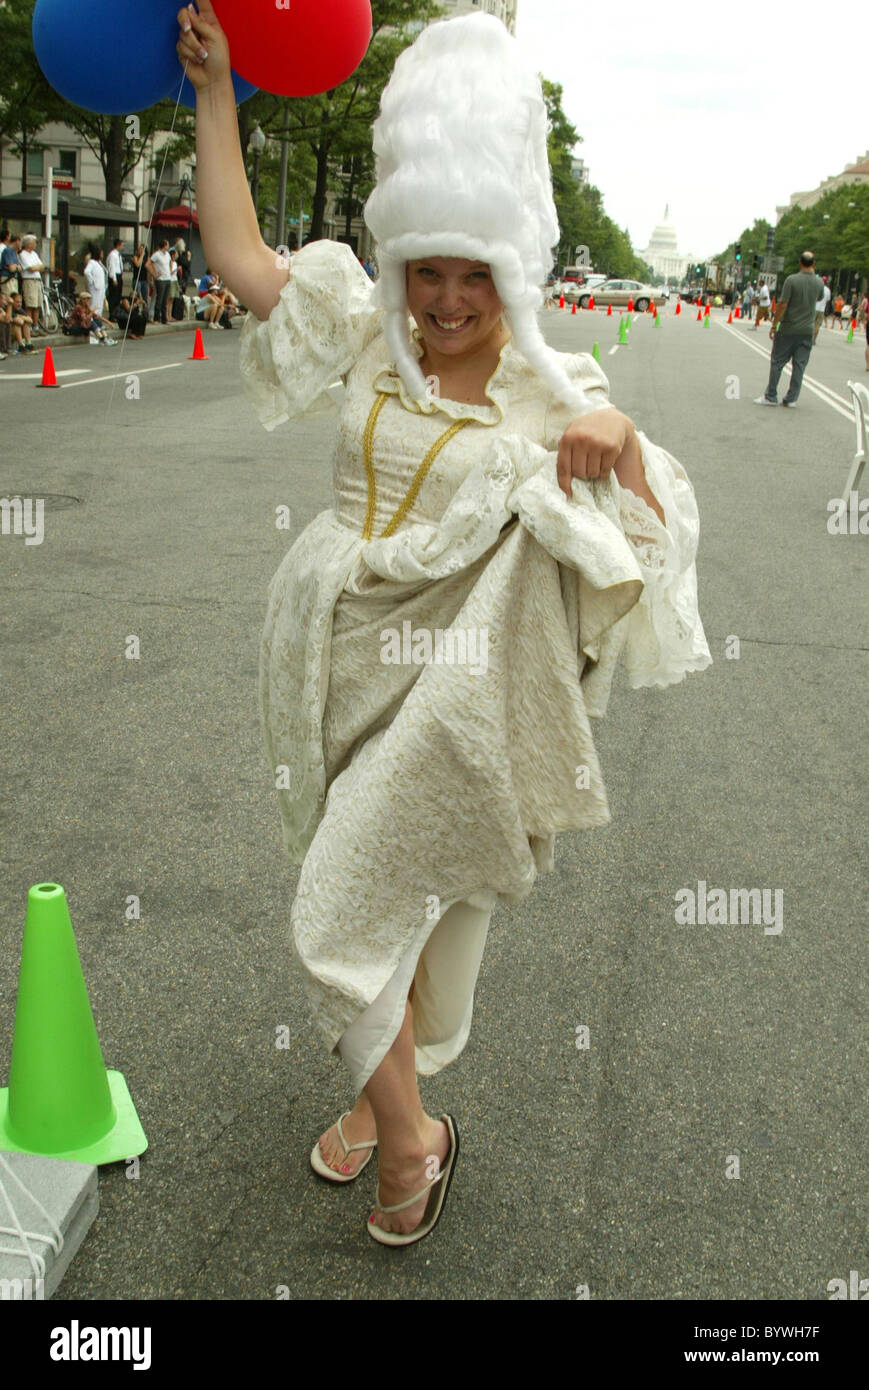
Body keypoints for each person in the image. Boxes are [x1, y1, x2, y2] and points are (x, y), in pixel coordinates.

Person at [179, 1, 712, 1247]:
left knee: (338, 904)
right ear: (400, 258)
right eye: (431, 267)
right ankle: (386, 1104)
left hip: (455, 691)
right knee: (388, 909)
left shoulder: (548, 388)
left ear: (513, 272)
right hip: (331, 656)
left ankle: (408, 1141)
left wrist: (619, 439)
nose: (451, 298)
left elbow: (654, 538)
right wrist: (214, 98)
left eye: (479, 272)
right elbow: (246, 262)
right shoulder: (365, 328)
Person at [754, 251, 824, 407]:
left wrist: (774, 325)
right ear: (813, 263)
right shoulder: (819, 283)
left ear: (800, 262)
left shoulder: (791, 280)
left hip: (788, 328)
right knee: (799, 365)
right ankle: (792, 398)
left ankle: (771, 396)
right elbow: (819, 298)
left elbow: (783, 304)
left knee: (777, 361)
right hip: (807, 330)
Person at [18, 234, 46, 329]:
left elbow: (42, 267)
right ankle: (28, 326)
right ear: (28, 243)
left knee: (37, 305)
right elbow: (31, 268)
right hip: (29, 281)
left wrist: (37, 267)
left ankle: (36, 325)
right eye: (34, 242)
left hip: (37, 280)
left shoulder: (34, 254)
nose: (35, 244)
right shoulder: (22, 254)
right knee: (30, 304)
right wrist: (37, 267)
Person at [147, 238, 173, 323]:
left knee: (165, 299)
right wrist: (154, 273)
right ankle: (156, 318)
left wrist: (169, 271)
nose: (168, 246)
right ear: (164, 245)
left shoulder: (168, 254)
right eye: (167, 244)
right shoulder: (157, 254)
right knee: (159, 299)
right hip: (160, 279)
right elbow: (148, 264)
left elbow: (170, 263)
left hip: (167, 278)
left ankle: (164, 319)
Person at [83, 249, 109, 320]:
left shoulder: (99, 263)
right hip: (95, 288)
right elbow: (86, 272)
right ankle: (91, 321)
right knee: (94, 305)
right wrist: (92, 281)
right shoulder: (92, 262)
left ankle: (97, 320)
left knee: (99, 306)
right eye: (101, 253)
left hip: (101, 288)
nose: (102, 255)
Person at [106, 237, 125, 318]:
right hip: (115, 276)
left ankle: (117, 313)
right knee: (113, 296)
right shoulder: (112, 255)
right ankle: (112, 315)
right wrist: (114, 278)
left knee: (118, 296)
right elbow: (112, 267)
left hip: (119, 275)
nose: (123, 246)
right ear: (118, 245)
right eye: (122, 244)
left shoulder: (118, 255)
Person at [1, 232, 23, 297]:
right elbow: (11, 268)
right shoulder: (8, 251)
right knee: (9, 298)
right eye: (21, 241)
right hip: (8, 279)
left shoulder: (14, 252)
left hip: (14, 279)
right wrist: (16, 267)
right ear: (17, 241)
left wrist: (15, 266)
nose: (22, 244)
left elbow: (20, 268)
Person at [132, 243, 151, 316]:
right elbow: (137, 264)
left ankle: (146, 314)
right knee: (138, 297)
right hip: (137, 280)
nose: (140, 250)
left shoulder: (147, 258)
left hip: (144, 280)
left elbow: (149, 269)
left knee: (145, 298)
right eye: (139, 249)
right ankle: (136, 313)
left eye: (142, 249)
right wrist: (142, 256)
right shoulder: (135, 257)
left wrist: (150, 280)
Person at [814, 276, 831, 344]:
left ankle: (810, 338)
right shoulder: (827, 290)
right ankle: (814, 340)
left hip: (814, 308)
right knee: (817, 325)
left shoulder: (816, 287)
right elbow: (827, 300)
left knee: (812, 324)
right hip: (821, 309)